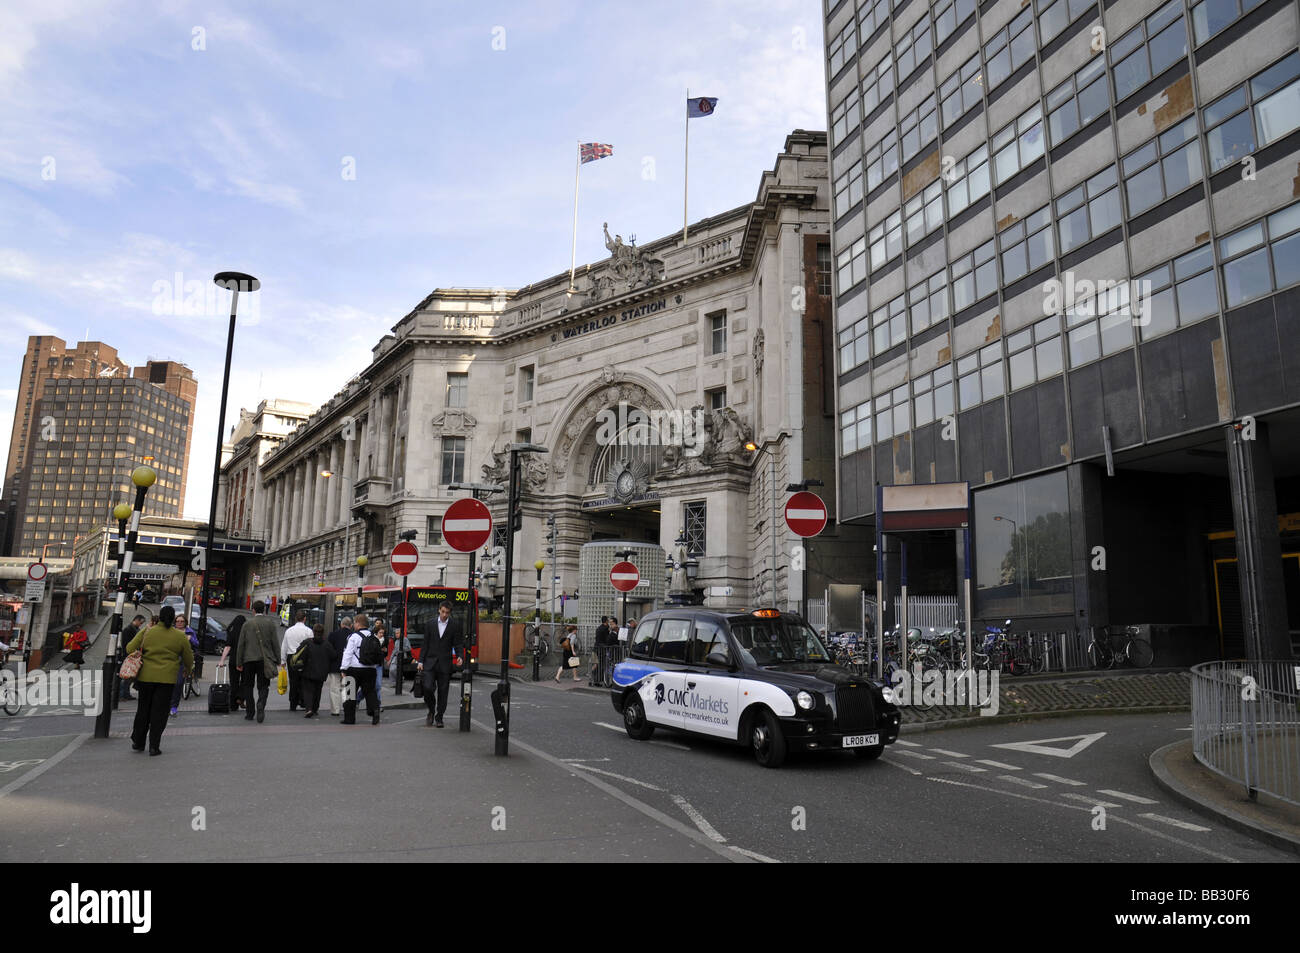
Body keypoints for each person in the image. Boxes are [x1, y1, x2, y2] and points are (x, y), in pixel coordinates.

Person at [124, 605, 193, 756]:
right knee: (160, 713)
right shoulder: (180, 636)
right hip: (167, 679)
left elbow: (130, 648)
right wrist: (188, 670)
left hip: (146, 677)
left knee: (143, 710)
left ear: (160, 617)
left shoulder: (148, 631)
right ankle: (154, 746)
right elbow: (188, 658)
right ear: (173, 619)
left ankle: (138, 741)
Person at [417, 602, 462, 727]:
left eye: (447, 613)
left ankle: (439, 717)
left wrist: (459, 656)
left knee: (443, 692)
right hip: (430, 663)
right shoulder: (430, 624)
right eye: (442, 612)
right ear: (439, 610)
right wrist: (420, 661)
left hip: (445, 664)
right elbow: (425, 643)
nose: (444, 615)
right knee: (427, 688)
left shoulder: (454, 625)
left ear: (450, 613)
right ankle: (431, 710)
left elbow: (458, 643)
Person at [236, 601, 281, 723]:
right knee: (263, 685)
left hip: (249, 660)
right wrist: (278, 659)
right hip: (265, 660)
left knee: (248, 686)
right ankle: (261, 703)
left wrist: (239, 662)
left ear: (253, 610)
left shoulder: (247, 624)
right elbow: (275, 643)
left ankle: (250, 712)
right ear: (264, 610)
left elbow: (241, 644)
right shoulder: (270, 624)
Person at [339, 613, 381, 725]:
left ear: (358, 623)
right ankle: (374, 709)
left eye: (354, 622)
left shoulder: (353, 637)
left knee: (349, 693)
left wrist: (343, 669)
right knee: (370, 692)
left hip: (354, 669)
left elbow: (347, 653)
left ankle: (349, 718)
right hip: (370, 669)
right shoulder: (373, 637)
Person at [299, 624, 338, 718]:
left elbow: (300, 654)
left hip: (308, 670)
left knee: (308, 690)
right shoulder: (327, 644)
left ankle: (309, 709)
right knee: (318, 690)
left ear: (313, 632)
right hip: (322, 672)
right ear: (323, 633)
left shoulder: (307, 642)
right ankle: (315, 708)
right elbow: (334, 655)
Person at [280, 610, 313, 712]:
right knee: (304, 681)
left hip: (292, 657)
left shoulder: (289, 631)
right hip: (304, 658)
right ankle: (303, 701)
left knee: (293, 681)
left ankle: (293, 704)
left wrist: (283, 660)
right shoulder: (309, 631)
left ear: (295, 619)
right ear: (304, 619)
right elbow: (311, 647)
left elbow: (284, 646)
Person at [169, 624, 201, 716]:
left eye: (182, 621)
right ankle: (168, 705)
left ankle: (174, 706)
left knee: (178, 683)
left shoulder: (190, 632)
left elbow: (196, 644)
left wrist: (190, 639)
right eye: (178, 621)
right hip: (171, 660)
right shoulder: (171, 631)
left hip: (183, 660)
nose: (179, 623)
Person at [326, 615, 352, 716]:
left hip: (335, 665)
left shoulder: (333, 635)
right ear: (351, 625)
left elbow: (328, 649)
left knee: (334, 688)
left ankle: (335, 710)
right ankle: (348, 708)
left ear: (341, 624)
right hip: (349, 667)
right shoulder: (353, 635)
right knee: (348, 688)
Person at [219, 613, 245, 708]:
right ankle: (241, 697)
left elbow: (227, 647)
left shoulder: (231, 632)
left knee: (234, 681)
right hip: (244, 659)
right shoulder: (246, 632)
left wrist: (222, 660)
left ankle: (233, 705)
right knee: (245, 681)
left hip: (233, 660)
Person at [117, 614, 146, 701]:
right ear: (136, 620)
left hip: (133, 656)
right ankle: (122, 694)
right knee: (126, 676)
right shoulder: (128, 629)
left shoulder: (135, 629)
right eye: (140, 622)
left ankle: (126, 693)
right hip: (128, 656)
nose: (140, 624)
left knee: (130, 676)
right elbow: (126, 644)